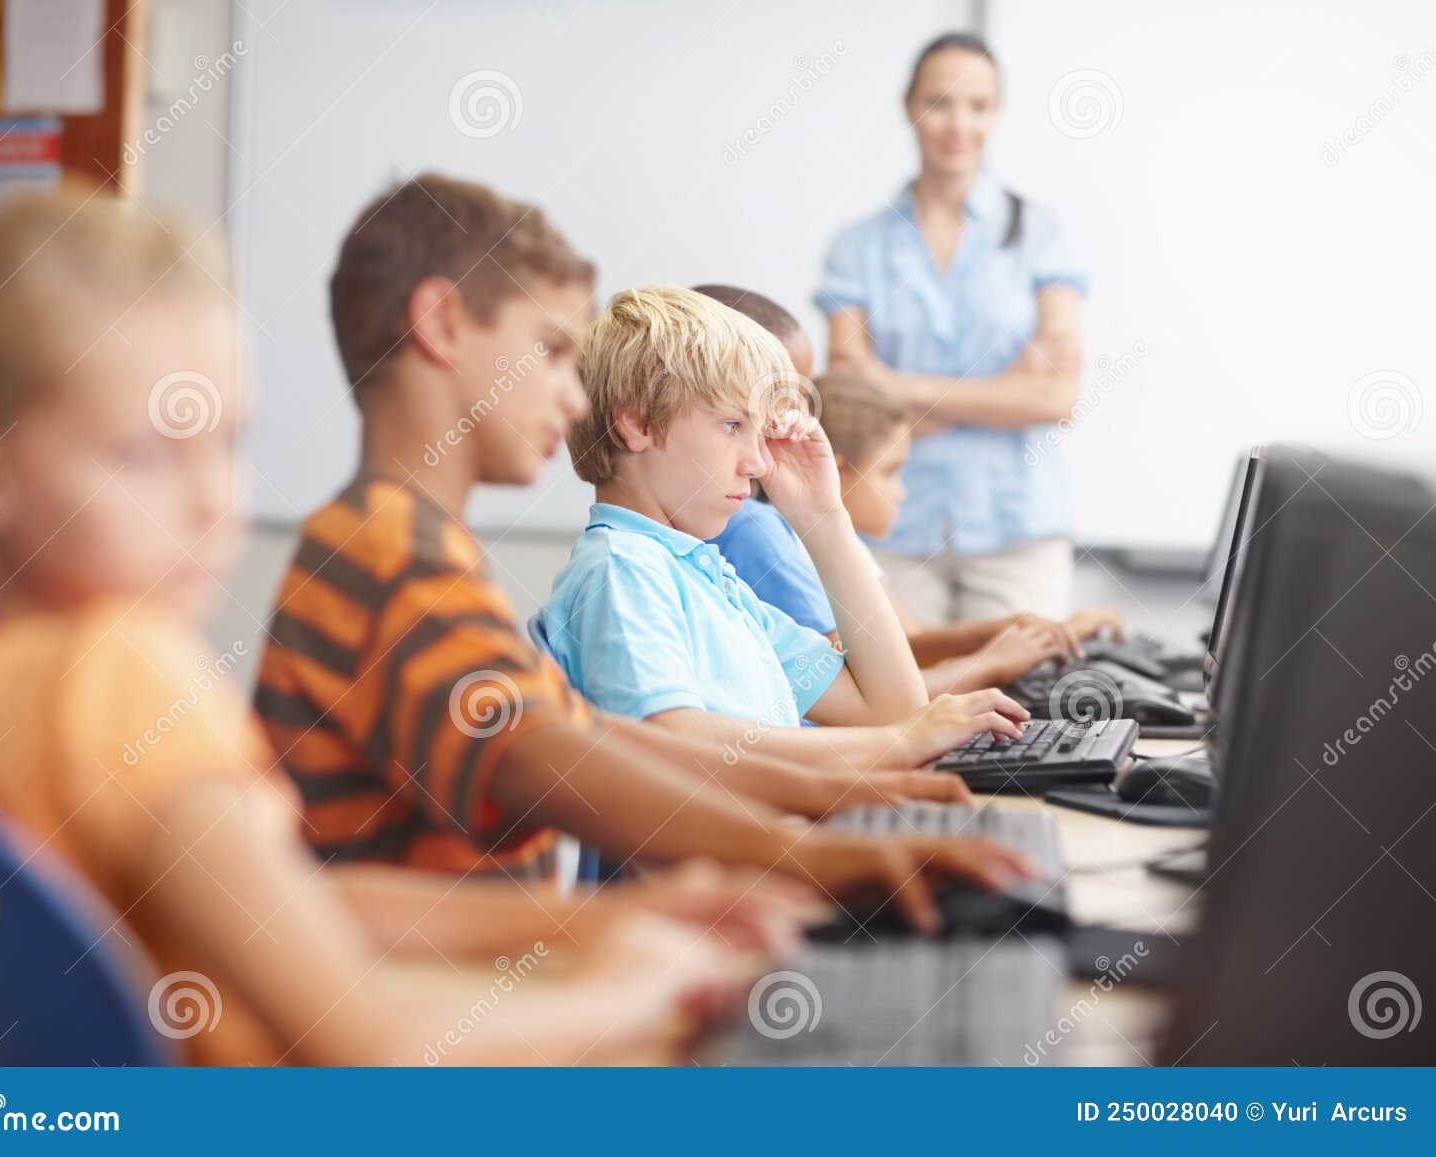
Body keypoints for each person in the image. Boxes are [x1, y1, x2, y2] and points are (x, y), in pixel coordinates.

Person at [0, 188, 796, 1066]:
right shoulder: (124, 675)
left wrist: (572, 929)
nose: (214, 502)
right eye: (146, 454)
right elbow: (371, 1042)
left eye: (228, 443)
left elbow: (288, 907)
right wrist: (639, 986)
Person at [255, 174, 1035, 935]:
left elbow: (597, 741)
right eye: (551, 351)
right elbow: (607, 753)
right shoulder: (390, 560)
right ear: (444, 323)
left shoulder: (425, 554)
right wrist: (832, 824)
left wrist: (857, 782)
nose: (573, 395)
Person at [543, 282, 1033, 777]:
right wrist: (895, 743)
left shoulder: (711, 580)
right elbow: (670, 739)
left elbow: (893, 707)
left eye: (762, 433)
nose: (758, 462)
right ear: (639, 424)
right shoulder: (622, 569)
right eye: (733, 425)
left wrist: (823, 519)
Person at [694, 284, 1114, 690]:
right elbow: (880, 693)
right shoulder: (754, 529)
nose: (795, 419)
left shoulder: (776, 529)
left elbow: (896, 656)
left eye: (800, 397)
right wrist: (992, 663)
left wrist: (1005, 639)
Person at [820, 32, 1093, 626]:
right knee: (906, 700)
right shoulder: (855, 248)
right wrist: (1003, 393)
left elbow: (1055, 396)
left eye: (978, 105)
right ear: (909, 106)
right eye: (939, 102)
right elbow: (848, 405)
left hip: (1017, 530)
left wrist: (896, 387)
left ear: (996, 114)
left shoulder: (1042, 236)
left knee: (1026, 706)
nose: (958, 124)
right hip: (893, 527)